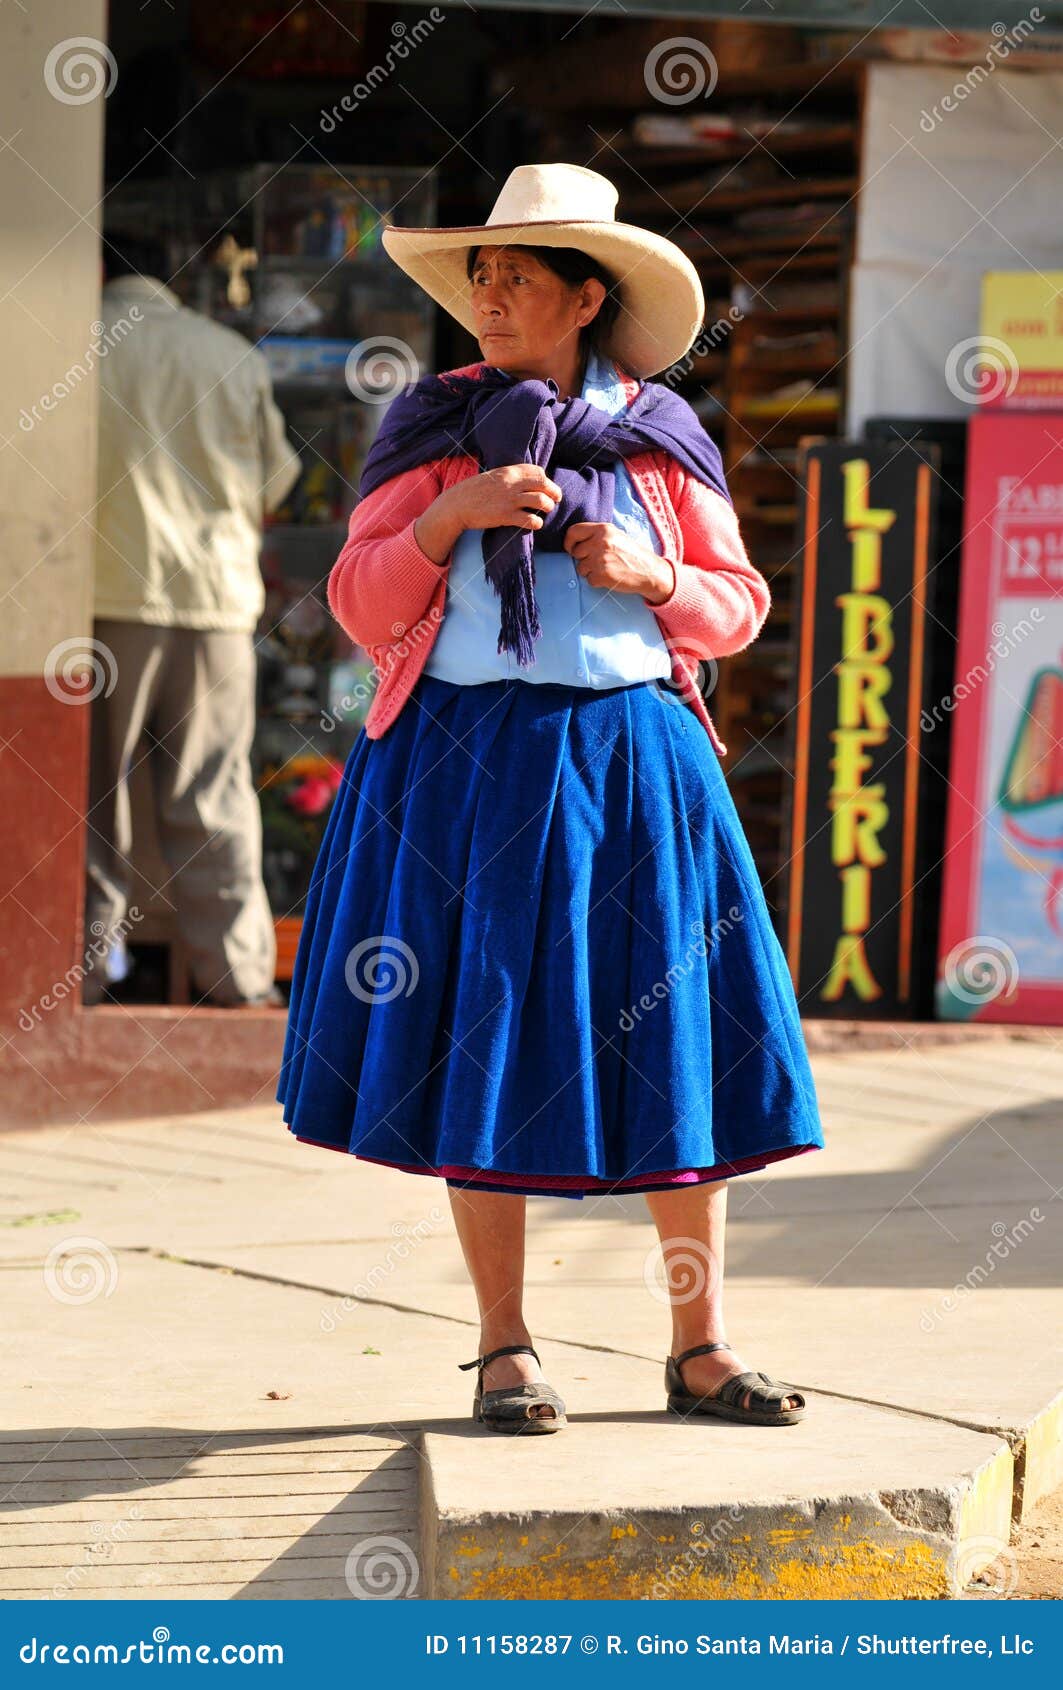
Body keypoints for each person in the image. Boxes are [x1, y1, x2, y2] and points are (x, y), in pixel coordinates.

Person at [278, 164, 825, 1432]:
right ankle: (505, 1348)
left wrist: (648, 574)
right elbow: (357, 600)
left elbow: (735, 606)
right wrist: (449, 518)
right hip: (464, 764)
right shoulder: (432, 428)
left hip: (637, 762)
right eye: (481, 273)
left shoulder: (660, 439)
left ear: (588, 297)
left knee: (677, 1037)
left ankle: (701, 1346)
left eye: (518, 275)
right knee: (484, 1038)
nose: (489, 293)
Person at [86, 233, 302, 1006]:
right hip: (215, 604)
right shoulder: (230, 354)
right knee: (214, 794)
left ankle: (79, 974)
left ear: (96, 270)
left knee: (92, 799)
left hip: (101, 600)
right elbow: (275, 483)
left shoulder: (69, 347)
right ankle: (237, 981)